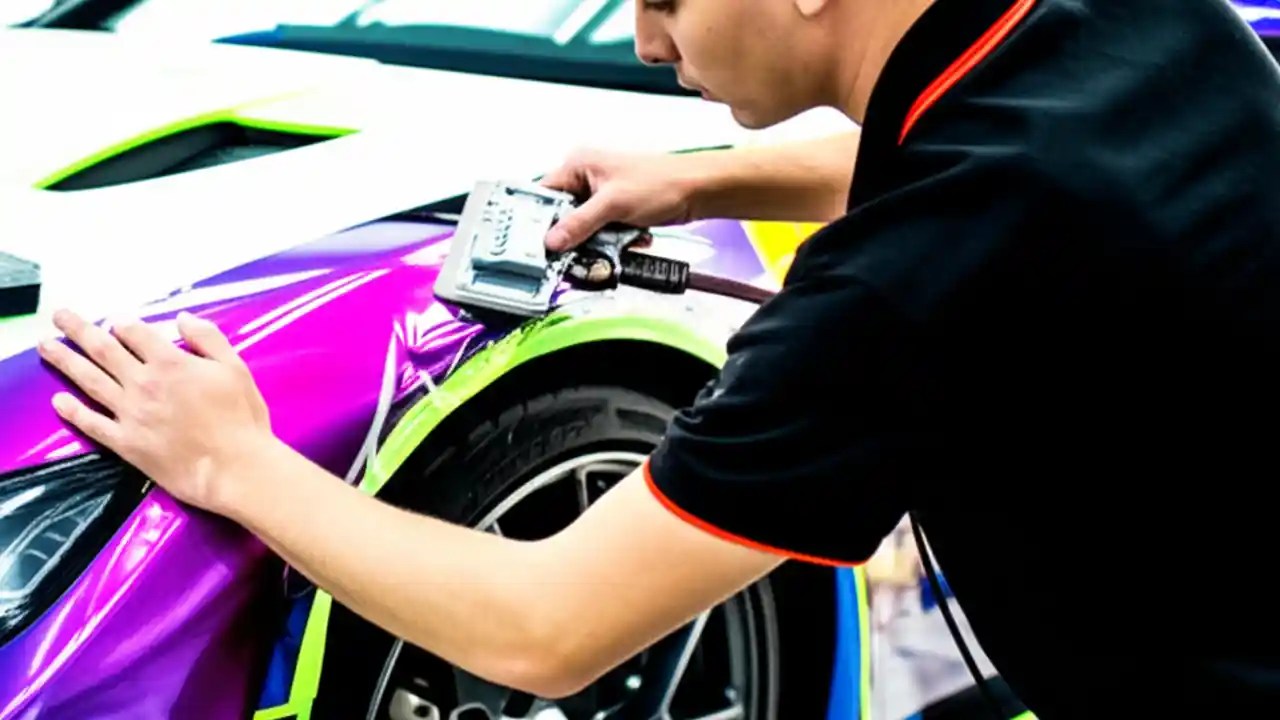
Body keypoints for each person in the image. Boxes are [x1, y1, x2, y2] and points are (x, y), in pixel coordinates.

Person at [34, 0, 1280, 717]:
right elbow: (1027, 167)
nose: (640, 38)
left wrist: (234, 461)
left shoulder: (912, 276)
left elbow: (545, 628)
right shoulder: (1142, 27)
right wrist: (702, 178)